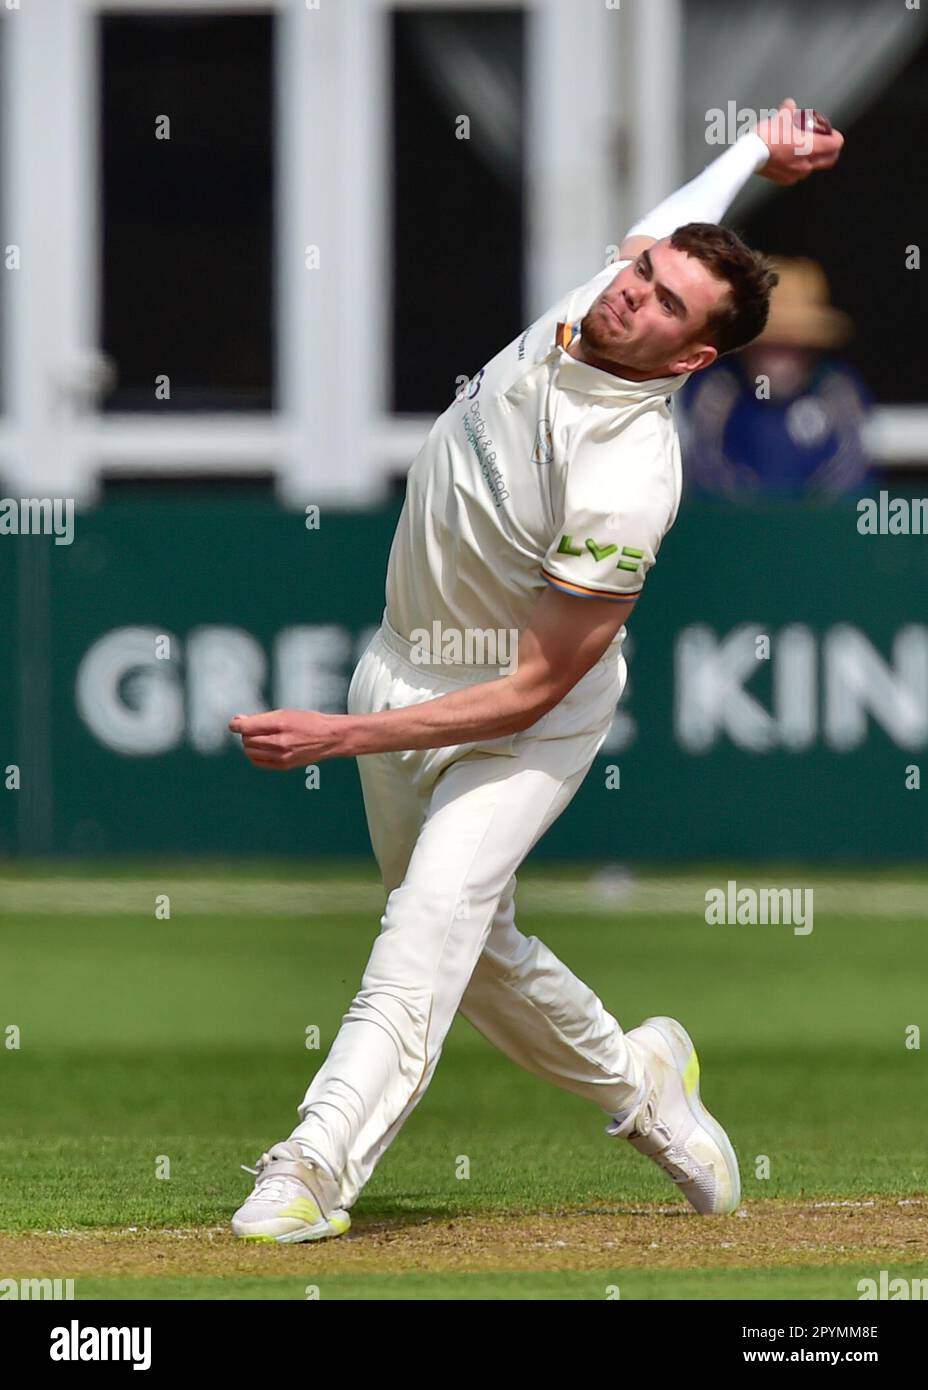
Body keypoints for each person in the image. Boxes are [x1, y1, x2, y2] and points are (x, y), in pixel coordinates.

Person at [228, 99, 843, 1242]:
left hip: (521, 721)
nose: (632, 292)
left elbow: (533, 688)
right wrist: (757, 150)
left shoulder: (627, 474)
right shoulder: (593, 306)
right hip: (399, 669)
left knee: (421, 931)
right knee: (479, 951)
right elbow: (683, 226)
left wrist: (332, 737)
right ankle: (641, 1086)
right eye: (640, 271)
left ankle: (310, 1168)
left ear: (693, 356)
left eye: (664, 301)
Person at [681, 256, 872, 496]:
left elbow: (850, 481)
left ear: (813, 350)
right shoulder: (714, 389)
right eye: (769, 344)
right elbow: (707, 479)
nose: (782, 360)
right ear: (745, 346)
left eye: (796, 345)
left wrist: (801, 520)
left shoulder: (840, 391)